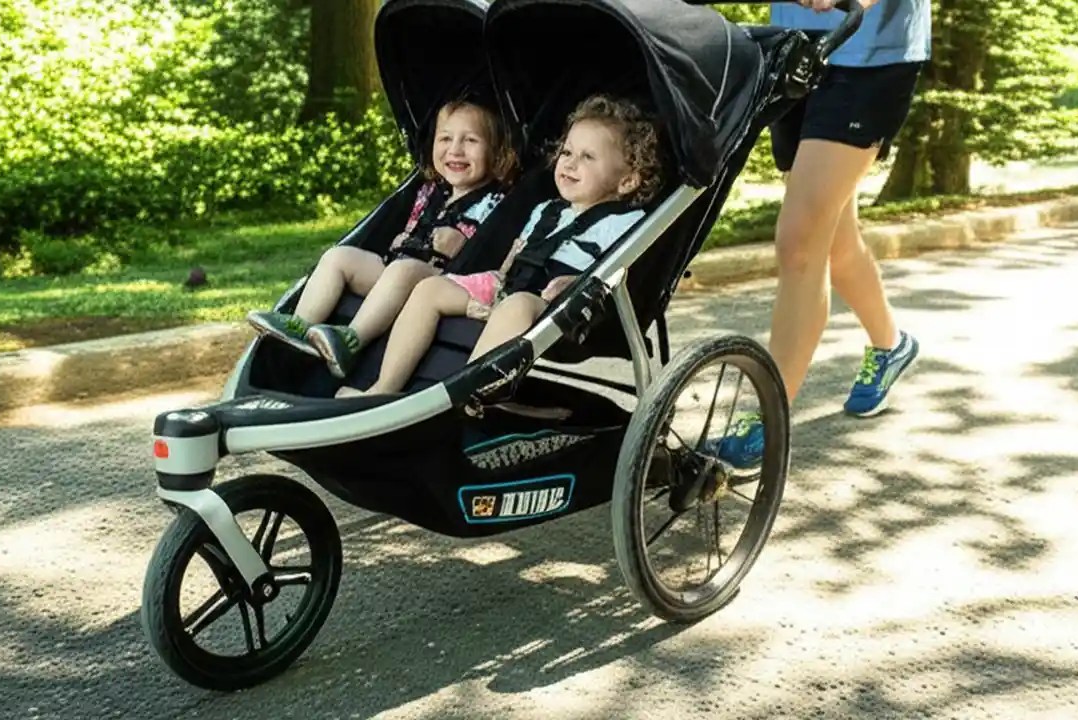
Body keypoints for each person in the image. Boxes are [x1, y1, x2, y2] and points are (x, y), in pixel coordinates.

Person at [708, 0, 932, 468]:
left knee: (799, 243)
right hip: (799, 48)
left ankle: (772, 413)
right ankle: (891, 345)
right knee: (832, 238)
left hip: (872, 57)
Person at [345, 94, 665, 397]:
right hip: (510, 289)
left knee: (519, 304)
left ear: (627, 181)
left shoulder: (626, 222)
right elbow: (516, 253)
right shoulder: (545, 210)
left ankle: (463, 395)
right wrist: (494, 287)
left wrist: (577, 285)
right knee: (430, 289)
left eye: (588, 157)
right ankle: (384, 387)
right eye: (567, 152)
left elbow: (621, 273)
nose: (569, 163)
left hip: (560, 307)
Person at [247, 99, 517, 378]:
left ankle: (351, 340)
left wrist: (460, 245)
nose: (455, 149)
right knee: (339, 257)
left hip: (439, 279)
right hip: (396, 270)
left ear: (497, 153)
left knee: (403, 269)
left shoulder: (498, 202)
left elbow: (488, 251)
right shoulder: (429, 192)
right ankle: (301, 325)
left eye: (470, 140)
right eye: (445, 138)